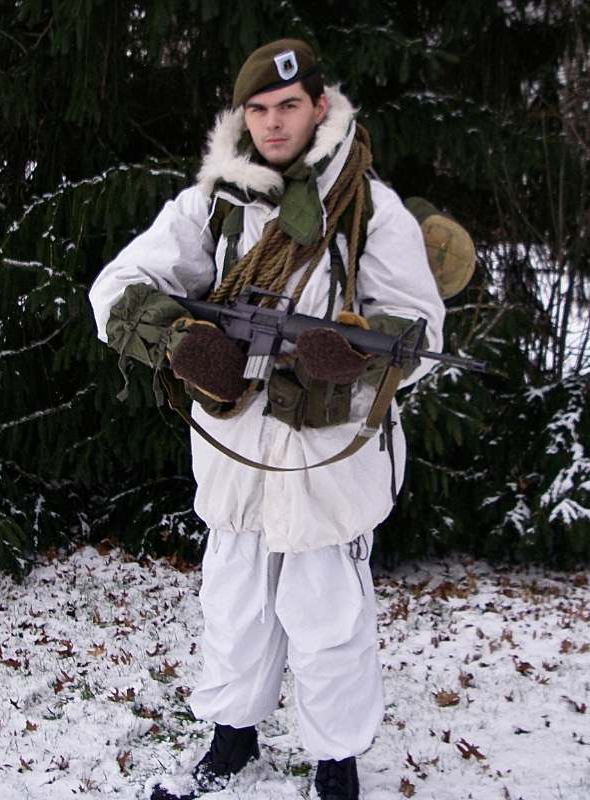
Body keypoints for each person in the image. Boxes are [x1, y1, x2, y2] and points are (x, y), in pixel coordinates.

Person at [89, 38, 445, 800]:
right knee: (236, 604)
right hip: (236, 447)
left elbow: (419, 324)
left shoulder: (371, 211)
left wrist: (352, 355)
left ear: (319, 105)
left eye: (289, 106)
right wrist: (180, 340)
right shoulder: (211, 207)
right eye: (259, 109)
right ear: (241, 117)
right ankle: (231, 737)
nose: (274, 122)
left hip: (333, 457)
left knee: (329, 616)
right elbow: (117, 289)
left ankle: (336, 759)